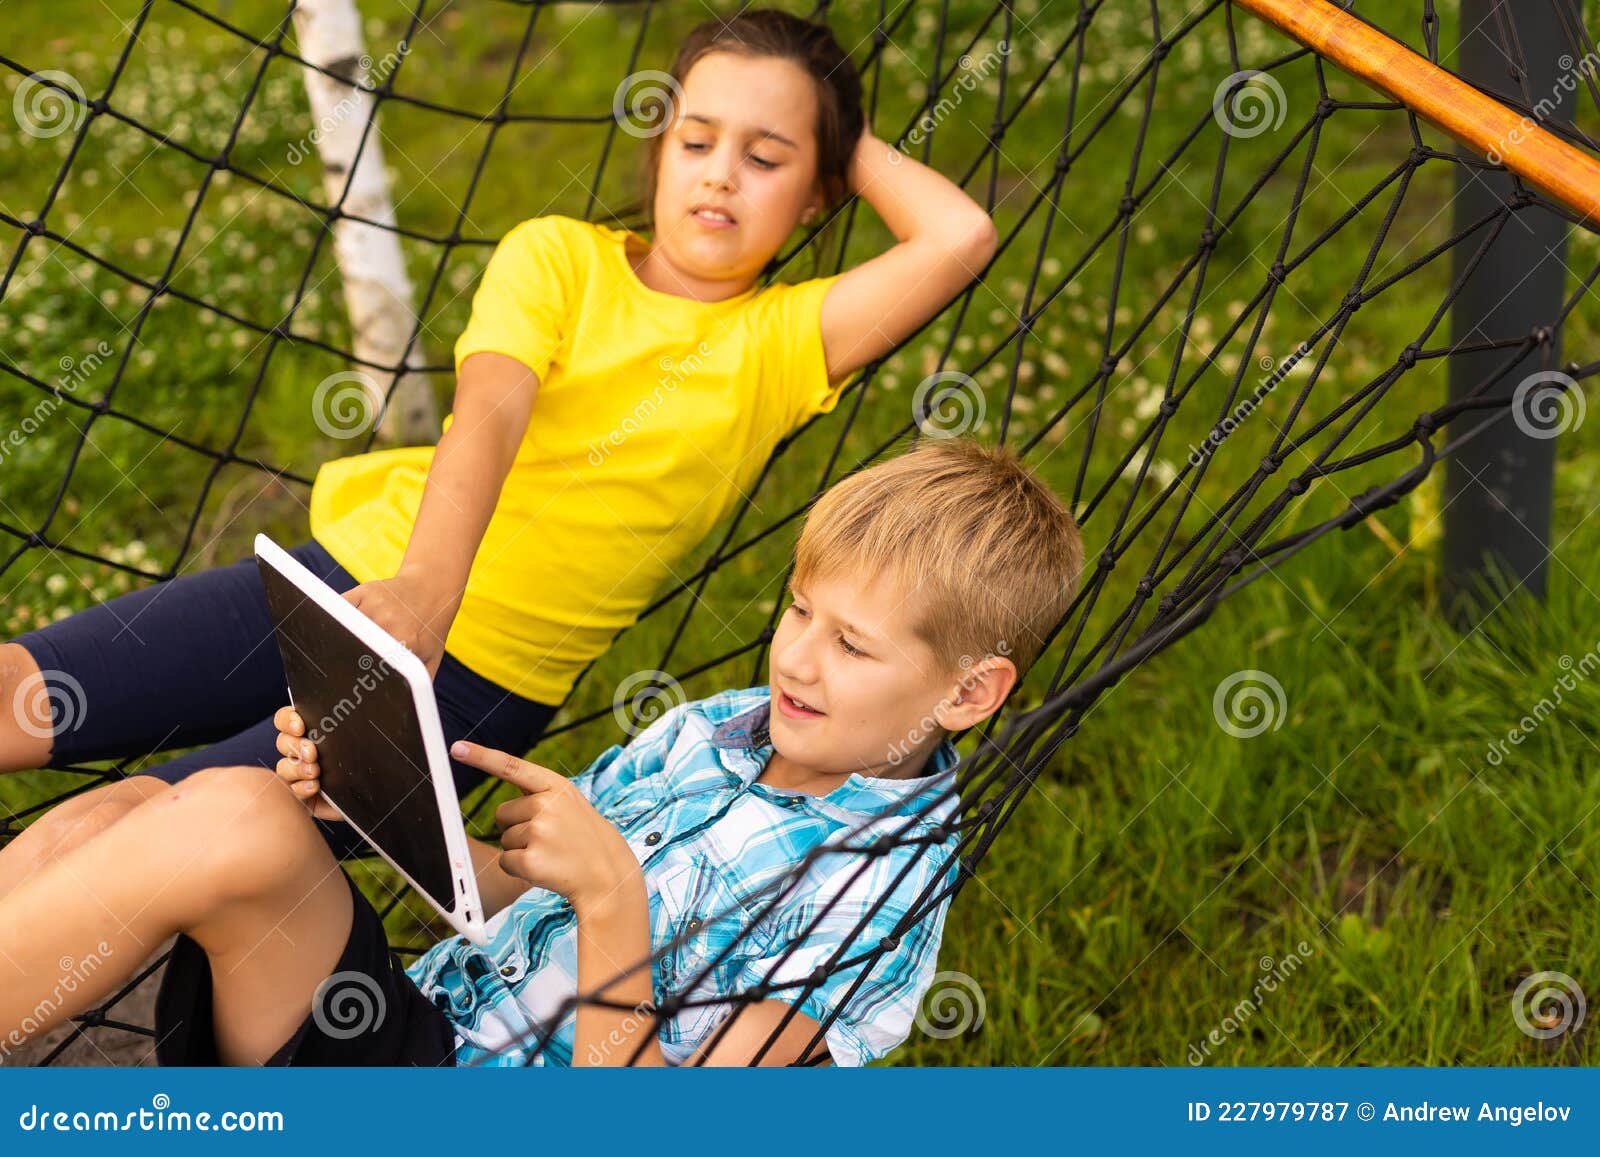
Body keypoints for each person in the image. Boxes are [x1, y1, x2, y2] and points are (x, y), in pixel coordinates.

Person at [0, 9, 1001, 863]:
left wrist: (830, 115)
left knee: (130, 828)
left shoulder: (784, 342)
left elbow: (957, 238)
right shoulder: (558, 258)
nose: (720, 177)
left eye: (766, 156)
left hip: (472, 685)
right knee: (25, 692)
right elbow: (489, 414)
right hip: (354, 575)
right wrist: (421, 589)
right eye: (696, 141)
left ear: (819, 192)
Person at [0, 438, 1084, 1067]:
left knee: (223, 821)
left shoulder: (875, 894)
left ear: (967, 691)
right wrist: (371, 804)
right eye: (799, 610)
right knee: (181, 811)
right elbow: (513, 882)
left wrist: (614, 900)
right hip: (403, 1029)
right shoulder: (718, 728)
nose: (798, 657)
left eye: (851, 643)